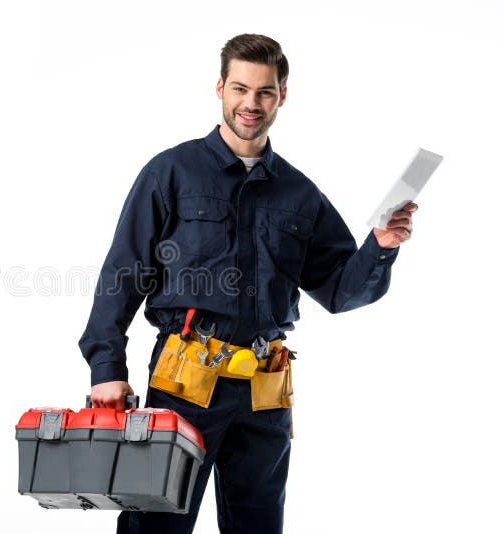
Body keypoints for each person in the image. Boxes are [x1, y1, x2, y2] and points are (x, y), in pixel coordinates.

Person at [78, 33, 417, 534]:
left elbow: (343, 291)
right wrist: (106, 366)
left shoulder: (300, 194)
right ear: (219, 88)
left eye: (265, 92)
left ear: (283, 95)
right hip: (185, 382)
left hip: (265, 388)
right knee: (157, 524)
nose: (251, 103)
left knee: (258, 526)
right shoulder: (170, 172)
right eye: (240, 89)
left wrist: (381, 245)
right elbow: (123, 274)